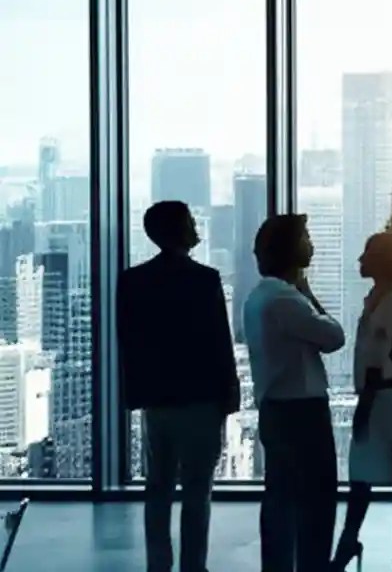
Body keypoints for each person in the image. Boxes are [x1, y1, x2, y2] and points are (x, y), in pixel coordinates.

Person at [118, 201, 238, 572]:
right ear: (181, 230)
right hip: (201, 400)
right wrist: (230, 395)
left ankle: (159, 565)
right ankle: (193, 567)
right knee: (197, 491)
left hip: (157, 402)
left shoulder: (133, 280)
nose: (196, 226)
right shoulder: (205, 278)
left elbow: (128, 342)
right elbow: (220, 341)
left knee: (158, 489)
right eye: (190, 220)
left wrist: (136, 395)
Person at [243, 214, 345, 572]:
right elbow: (334, 337)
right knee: (316, 501)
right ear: (290, 249)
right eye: (305, 238)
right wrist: (310, 294)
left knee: (280, 498)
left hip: (275, 407)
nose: (311, 245)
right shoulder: (286, 300)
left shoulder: (259, 296)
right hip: (301, 411)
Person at [332, 233, 392, 571]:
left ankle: (350, 544)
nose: (360, 260)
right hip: (380, 393)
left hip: (384, 395)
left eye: (367, 254)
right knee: (374, 472)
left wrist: (373, 396)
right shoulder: (380, 297)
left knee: (375, 472)